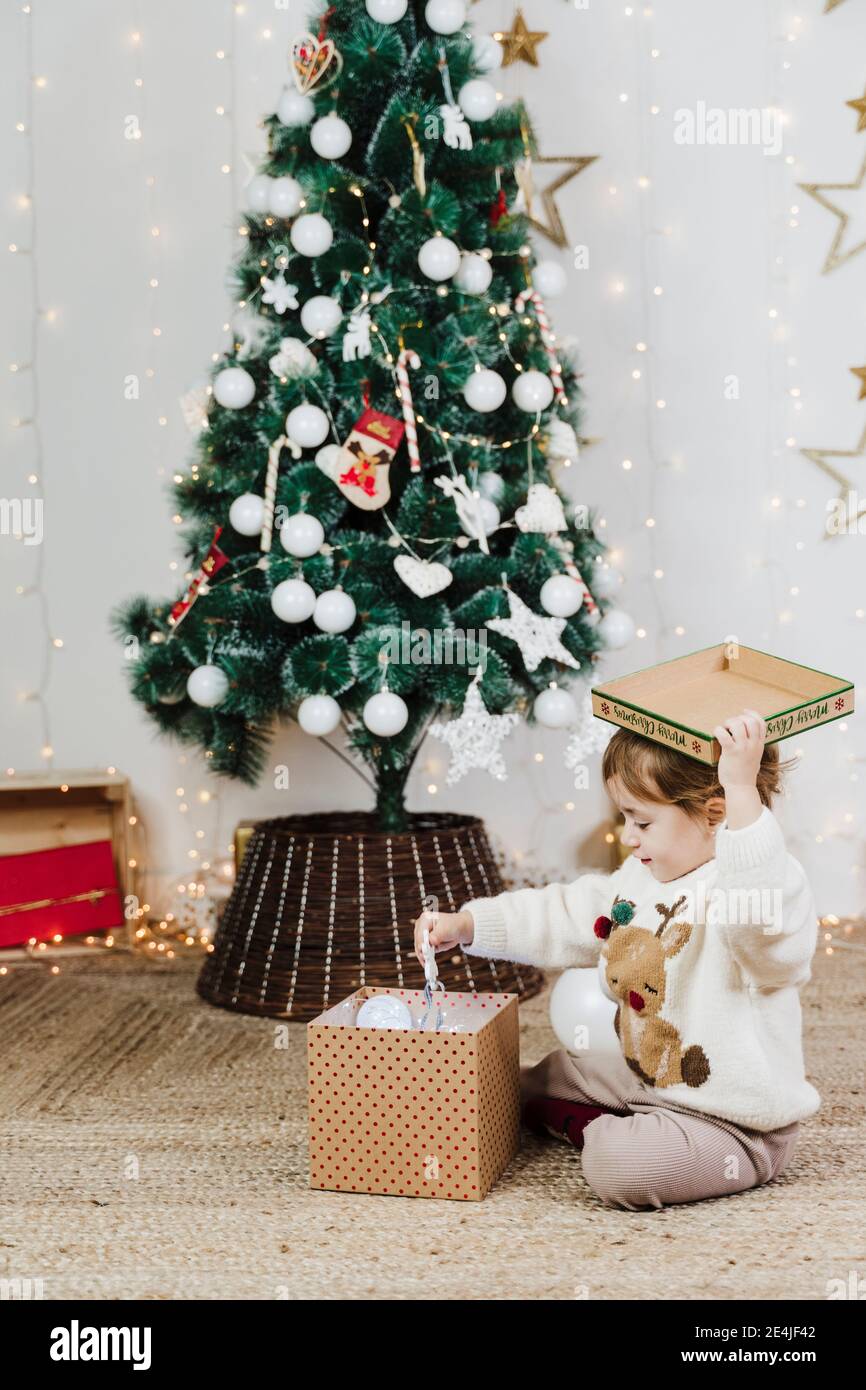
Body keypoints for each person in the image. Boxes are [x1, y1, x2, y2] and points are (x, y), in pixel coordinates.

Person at [413, 710, 818, 1210]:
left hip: (735, 1123)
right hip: (648, 1080)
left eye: (642, 821)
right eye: (624, 818)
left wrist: (743, 798)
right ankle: (606, 1116)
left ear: (716, 816)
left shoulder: (761, 889)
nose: (629, 836)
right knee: (549, 1074)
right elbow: (565, 913)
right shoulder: (640, 876)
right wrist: (469, 925)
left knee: (620, 1169)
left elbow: (761, 933)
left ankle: (613, 1135)